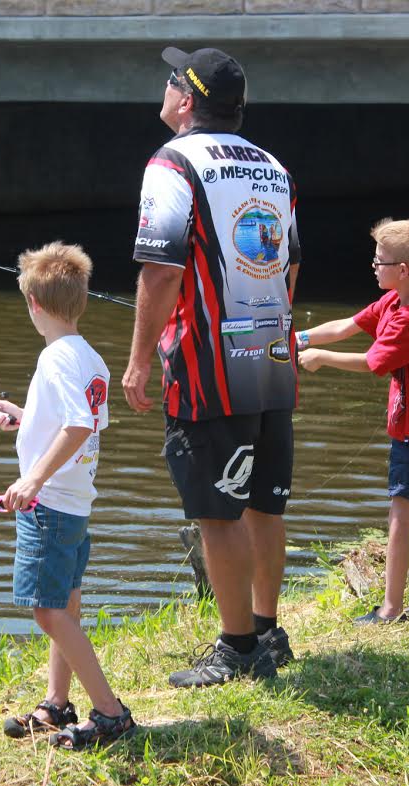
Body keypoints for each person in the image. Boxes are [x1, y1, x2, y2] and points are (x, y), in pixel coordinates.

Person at [122, 46, 301, 687]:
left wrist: (140, 359)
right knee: (264, 504)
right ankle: (267, 629)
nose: (165, 89)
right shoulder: (273, 167)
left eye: (173, 81)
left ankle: (235, 650)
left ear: (187, 99)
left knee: (216, 511)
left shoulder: (172, 162)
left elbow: (163, 269)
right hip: (274, 358)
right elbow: (291, 263)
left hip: (206, 367)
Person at [0, 241, 135, 748]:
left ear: (34, 305)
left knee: (46, 611)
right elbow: (82, 426)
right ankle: (56, 703)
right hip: (74, 504)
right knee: (64, 607)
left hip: (49, 505)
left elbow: (75, 425)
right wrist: (22, 420)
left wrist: (32, 480)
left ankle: (111, 714)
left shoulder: (53, 360)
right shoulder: (90, 359)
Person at [297, 218, 409, 623]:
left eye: (379, 260)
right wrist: (299, 337)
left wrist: (320, 359)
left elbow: (371, 363)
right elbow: (347, 327)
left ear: (403, 270)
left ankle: (391, 608)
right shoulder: (395, 301)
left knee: (400, 518)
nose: (373, 265)